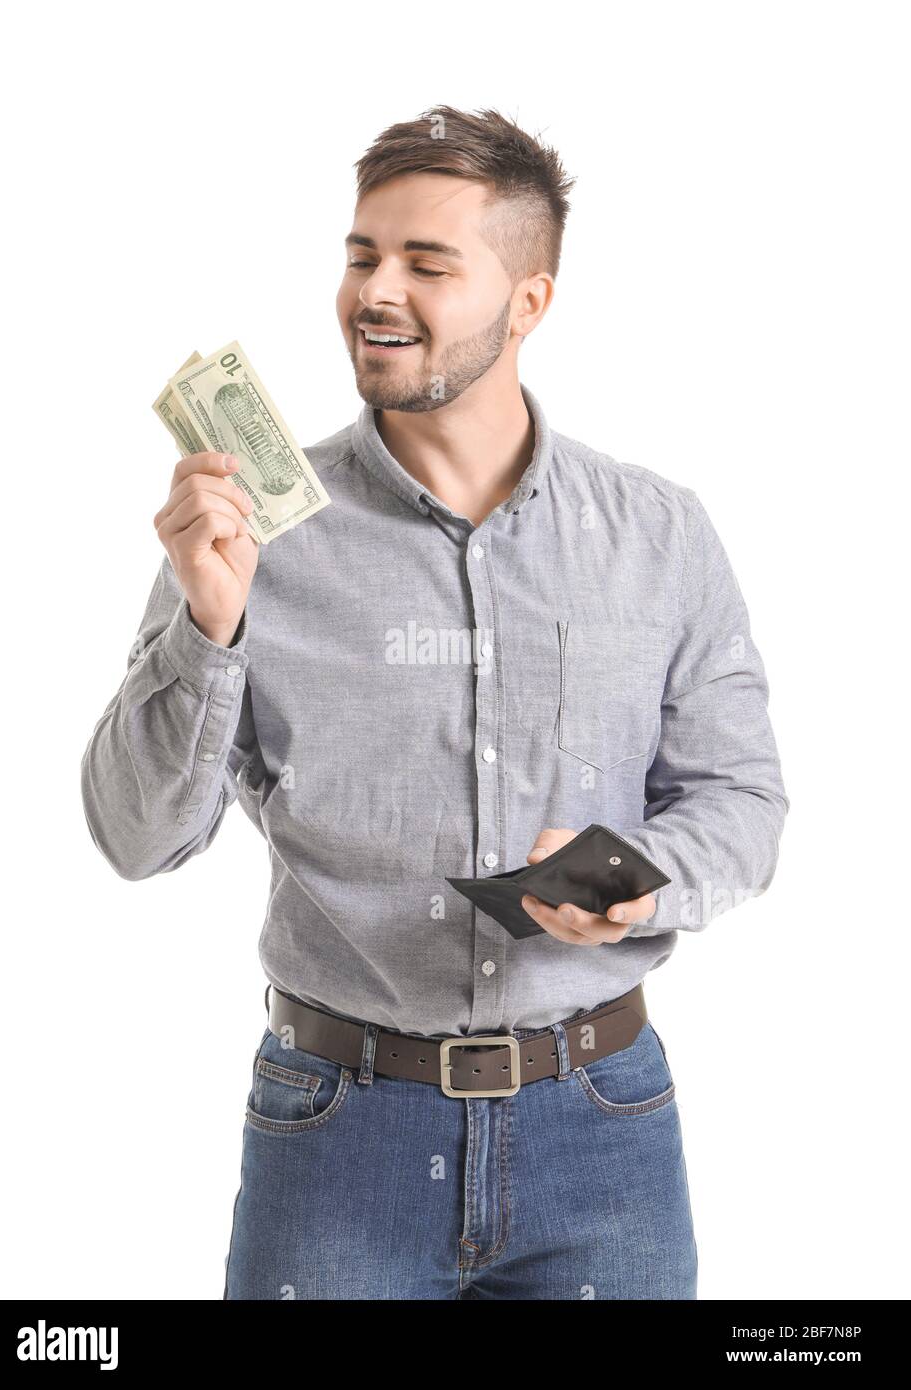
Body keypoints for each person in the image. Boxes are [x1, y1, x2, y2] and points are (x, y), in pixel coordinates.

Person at [80, 105, 789, 1301]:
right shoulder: (250, 534)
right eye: (361, 255)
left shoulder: (658, 535)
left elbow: (741, 796)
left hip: (600, 1128)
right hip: (334, 1133)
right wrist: (207, 630)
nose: (376, 291)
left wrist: (637, 878)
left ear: (528, 302)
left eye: (427, 262)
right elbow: (135, 837)